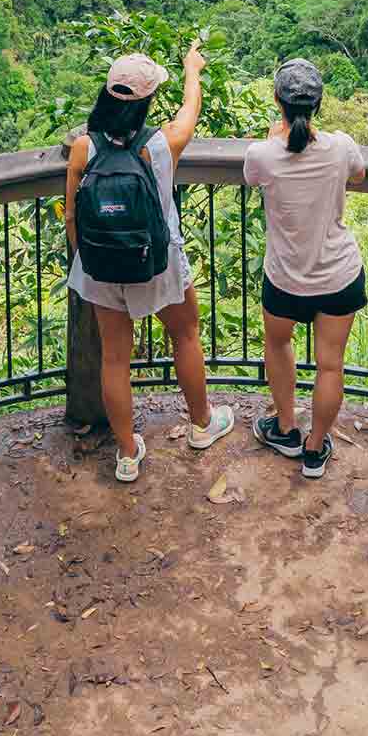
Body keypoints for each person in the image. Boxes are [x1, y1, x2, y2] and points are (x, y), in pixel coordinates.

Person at [65, 44, 234, 482]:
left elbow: (71, 215)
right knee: (185, 335)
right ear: (147, 102)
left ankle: (126, 453)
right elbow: (189, 110)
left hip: (100, 267)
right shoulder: (160, 145)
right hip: (157, 262)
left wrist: (92, 261)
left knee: (115, 360)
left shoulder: (85, 148)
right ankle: (202, 424)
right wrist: (191, 69)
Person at [244, 58, 366, 478]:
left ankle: (285, 428)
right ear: (319, 103)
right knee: (330, 363)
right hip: (338, 273)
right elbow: (360, 174)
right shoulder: (341, 146)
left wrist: (274, 138)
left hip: (286, 276)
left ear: (277, 102)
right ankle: (315, 450)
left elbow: (253, 176)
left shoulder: (261, 154)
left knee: (278, 345)